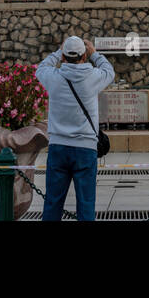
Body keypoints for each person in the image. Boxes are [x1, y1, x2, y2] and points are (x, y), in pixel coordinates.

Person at [35, 36, 115, 221]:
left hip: (58, 147)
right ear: (84, 56)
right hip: (85, 148)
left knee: (53, 204)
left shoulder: (53, 78)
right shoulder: (93, 77)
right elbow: (109, 71)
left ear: (64, 57)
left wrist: (57, 52)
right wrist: (95, 54)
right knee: (86, 206)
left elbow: (40, 69)